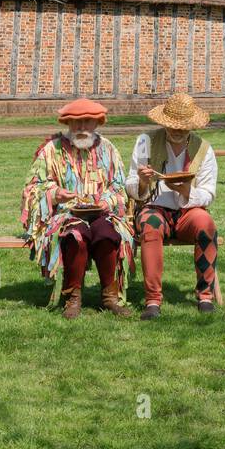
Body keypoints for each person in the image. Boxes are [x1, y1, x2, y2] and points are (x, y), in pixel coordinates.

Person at [20, 98, 133, 319]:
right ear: (67, 123)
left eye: (87, 122)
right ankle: (73, 297)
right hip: (65, 214)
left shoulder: (109, 150)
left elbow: (119, 185)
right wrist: (55, 194)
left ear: (97, 123)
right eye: (75, 122)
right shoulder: (52, 150)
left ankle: (110, 297)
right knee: (76, 234)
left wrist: (106, 201)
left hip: (102, 212)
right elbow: (32, 187)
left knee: (107, 233)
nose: (81, 128)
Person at [124, 93, 219, 320]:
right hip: (154, 207)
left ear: (192, 126)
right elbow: (130, 185)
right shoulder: (145, 141)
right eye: (172, 126)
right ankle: (153, 300)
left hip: (188, 210)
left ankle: (205, 295)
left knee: (205, 223)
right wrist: (144, 182)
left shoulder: (204, 149)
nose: (176, 131)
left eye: (183, 128)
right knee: (150, 224)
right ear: (163, 122)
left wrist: (186, 191)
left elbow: (208, 193)